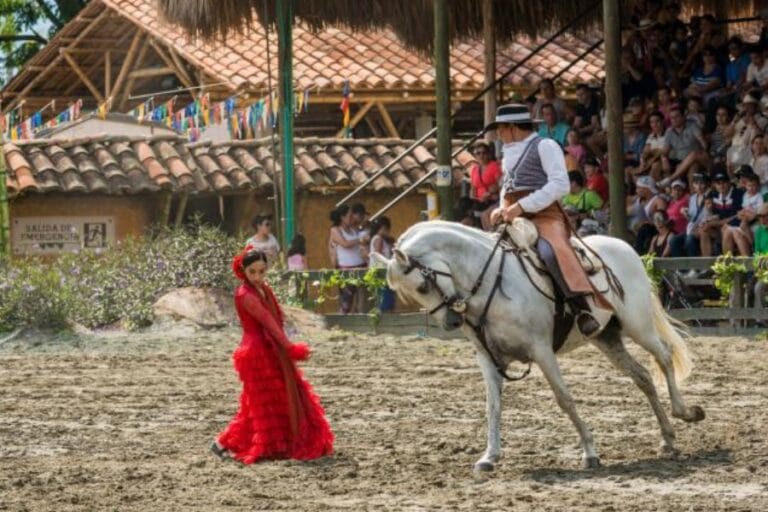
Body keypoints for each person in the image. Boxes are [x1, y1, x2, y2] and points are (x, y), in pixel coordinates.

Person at [487, 103, 610, 337]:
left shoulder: (545, 145)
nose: (499, 134)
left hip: (546, 214)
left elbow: (560, 185)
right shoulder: (509, 152)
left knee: (548, 251)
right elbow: (508, 187)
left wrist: (521, 206)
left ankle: (581, 309)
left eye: (501, 128)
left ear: (512, 127)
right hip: (514, 213)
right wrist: (501, 207)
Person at [211, 248, 334, 464]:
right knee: (261, 405)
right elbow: (268, 321)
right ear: (244, 271)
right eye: (253, 272)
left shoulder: (263, 290)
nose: (258, 277)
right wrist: (289, 347)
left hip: (269, 350)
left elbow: (276, 318)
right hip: (256, 354)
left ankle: (222, 443)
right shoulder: (245, 294)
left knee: (260, 404)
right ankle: (223, 442)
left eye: (261, 271)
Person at [329, 204, 367, 314]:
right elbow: (345, 244)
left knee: (361, 301)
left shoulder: (354, 229)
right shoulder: (335, 230)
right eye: (350, 216)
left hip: (361, 266)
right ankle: (341, 323)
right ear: (342, 217)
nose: (352, 219)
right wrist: (359, 240)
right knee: (346, 302)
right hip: (346, 269)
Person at [469, 142, 502, 230]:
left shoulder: (494, 166)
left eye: (484, 153)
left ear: (488, 154)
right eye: (478, 153)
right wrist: (474, 198)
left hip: (492, 200)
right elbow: (473, 188)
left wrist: (489, 193)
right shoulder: (474, 169)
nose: (481, 156)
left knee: (484, 215)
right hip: (479, 201)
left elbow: (501, 184)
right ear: (475, 156)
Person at [369, 216, 396, 312]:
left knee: (386, 298)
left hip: (383, 271)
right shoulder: (378, 238)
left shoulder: (382, 239)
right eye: (387, 229)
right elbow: (377, 255)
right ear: (384, 228)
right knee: (385, 299)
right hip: (381, 272)